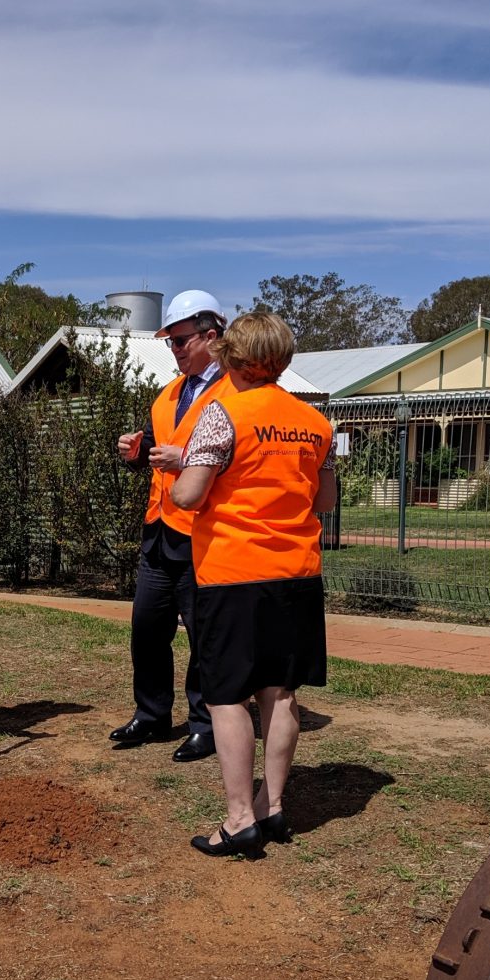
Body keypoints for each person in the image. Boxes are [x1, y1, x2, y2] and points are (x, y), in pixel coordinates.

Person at [170, 311, 336, 857]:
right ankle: (273, 805)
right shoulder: (315, 422)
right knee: (280, 693)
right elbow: (324, 500)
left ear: (232, 359)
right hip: (297, 574)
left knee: (226, 697)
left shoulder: (222, 414)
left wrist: (176, 475)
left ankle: (240, 818)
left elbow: (189, 495)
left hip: (234, 573)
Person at [112, 289, 227, 762]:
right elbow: (159, 449)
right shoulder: (169, 395)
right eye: (170, 342)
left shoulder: (235, 394)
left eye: (180, 340)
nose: (174, 350)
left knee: (203, 634)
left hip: (205, 532)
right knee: (147, 628)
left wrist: (189, 459)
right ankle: (152, 713)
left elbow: (241, 461)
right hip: (159, 529)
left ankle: (206, 724)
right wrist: (137, 453)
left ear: (211, 336)